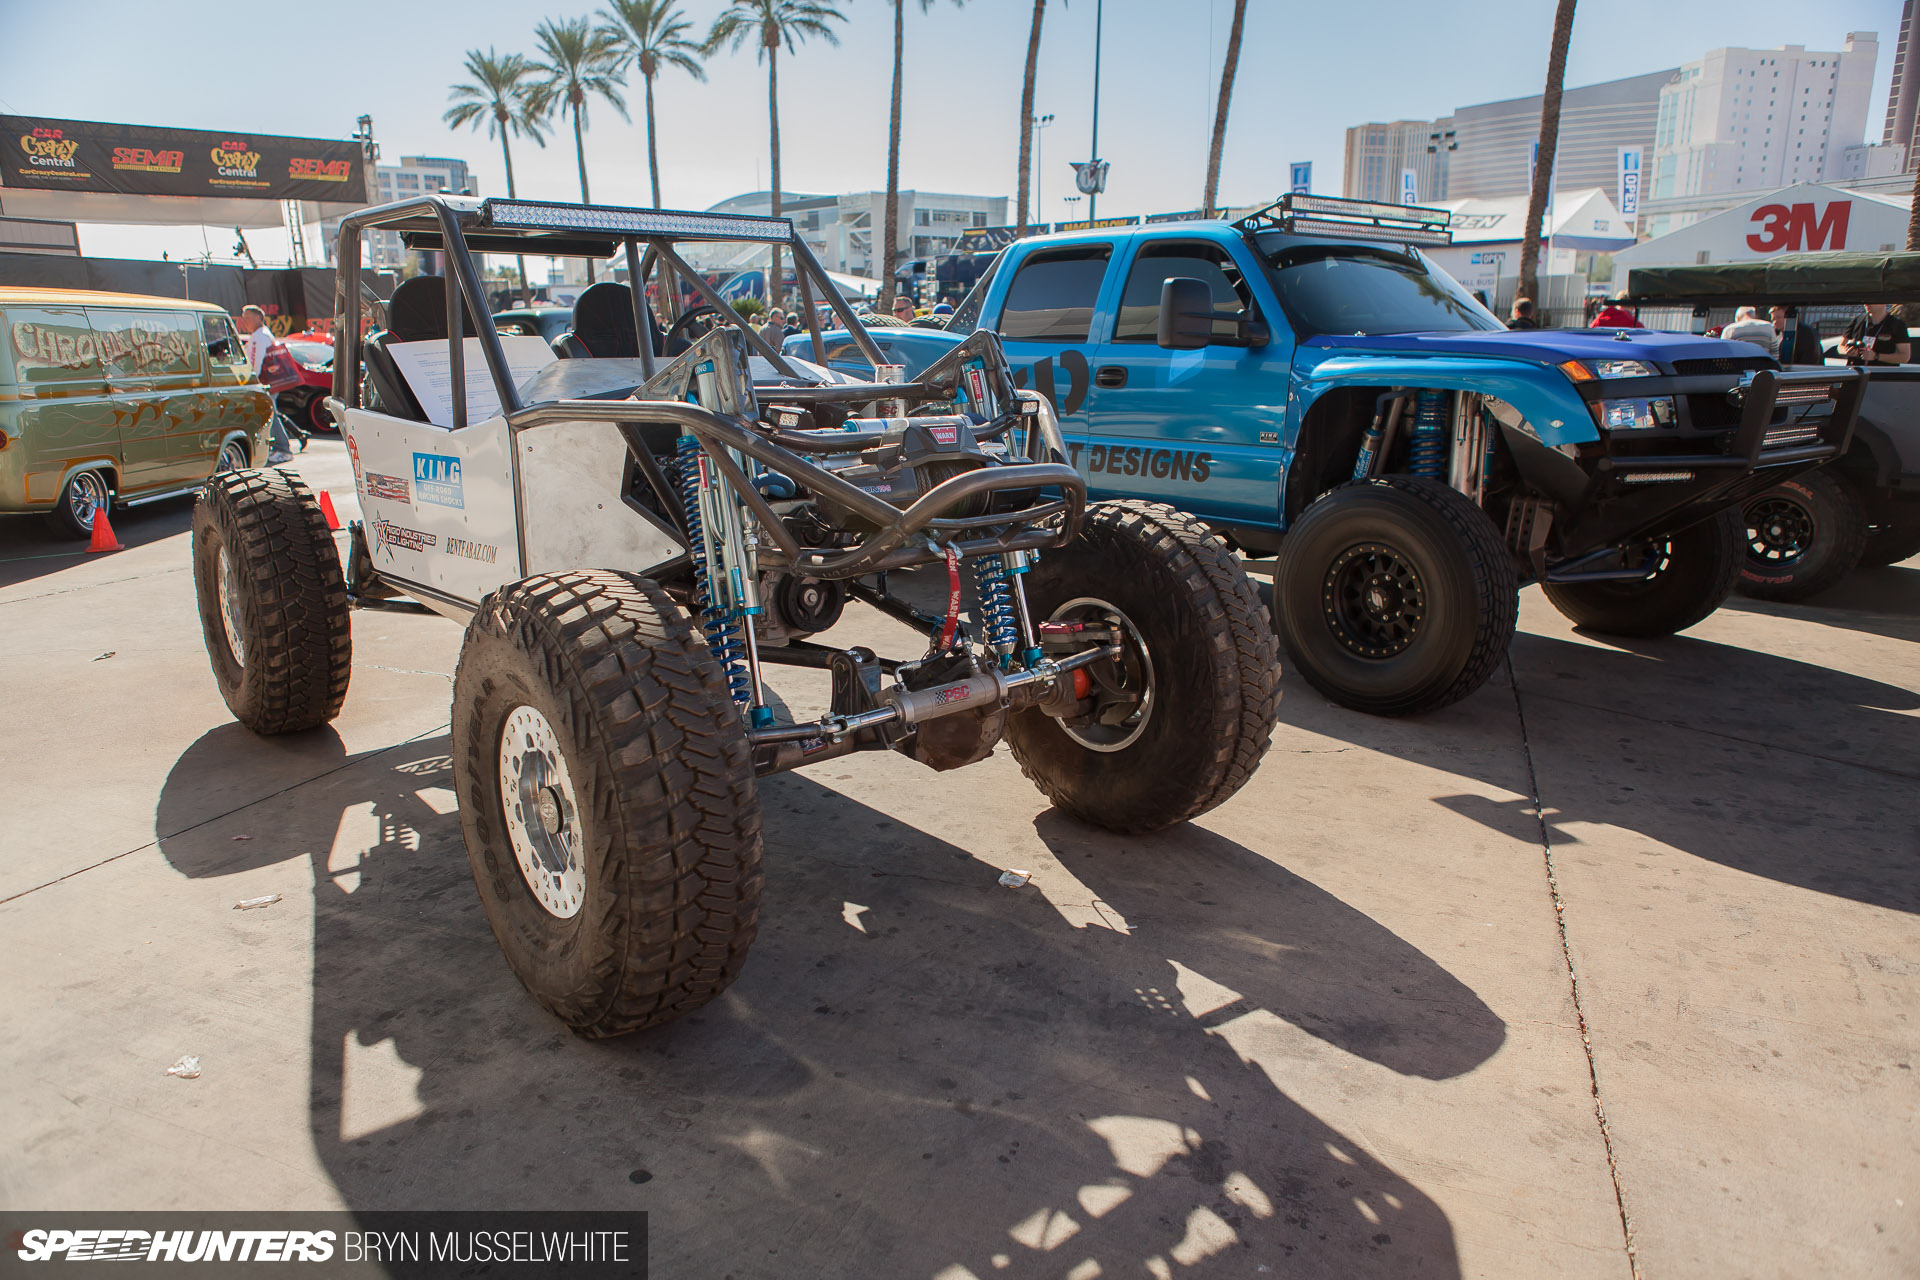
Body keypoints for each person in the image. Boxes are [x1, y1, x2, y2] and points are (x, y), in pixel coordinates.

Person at [237, 306, 301, 462]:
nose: (245, 321)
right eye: (243, 317)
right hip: (267, 382)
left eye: (248, 317)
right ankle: (277, 447)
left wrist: (252, 382)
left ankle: (282, 449)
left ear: (258, 318)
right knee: (271, 415)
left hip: (263, 383)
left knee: (270, 416)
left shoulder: (259, 337)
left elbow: (256, 362)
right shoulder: (263, 334)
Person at [1840, 303, 1910, 367]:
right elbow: (1840, 347)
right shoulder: (1857, 320)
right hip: (1856, 373)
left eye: (1871, 301)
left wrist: (1876, 356)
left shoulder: (1897, 324)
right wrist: (1847, 351)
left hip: (1881, 375)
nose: (1866, 304)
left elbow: (1905, 357)